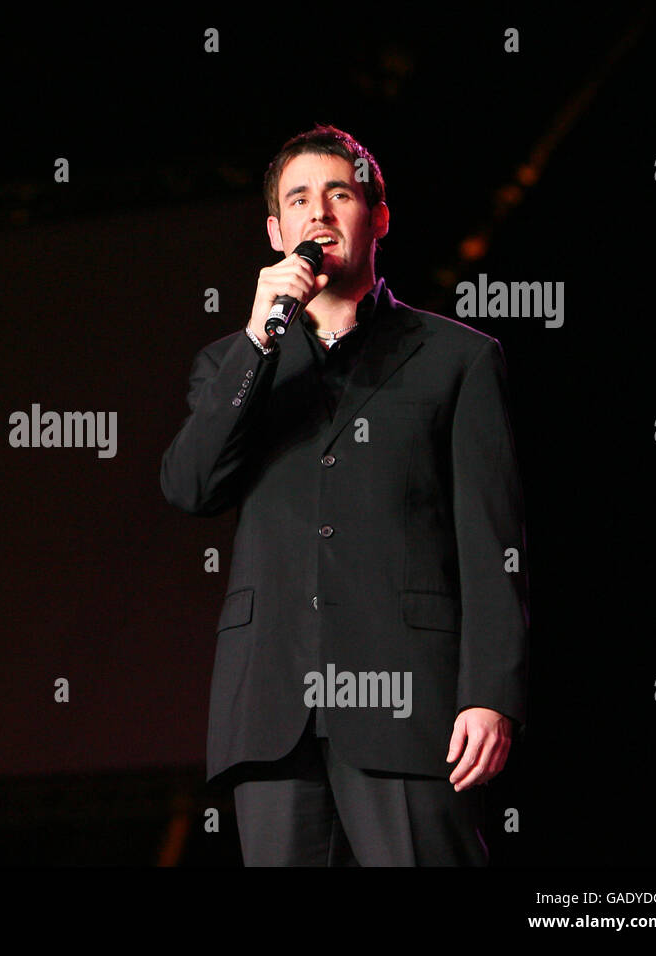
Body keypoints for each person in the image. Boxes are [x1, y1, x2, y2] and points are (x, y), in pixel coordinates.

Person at [160, 125, 529, 866]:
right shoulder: (232, 366)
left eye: (340, 193)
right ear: (276, 231)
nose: (319, 213)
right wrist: (259, 345)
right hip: (271, 711)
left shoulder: (457, 359)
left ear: (378, 216)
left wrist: (490, 692)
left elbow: (494, 545)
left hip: (409, 703)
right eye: (299, 199)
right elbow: (190, 487)